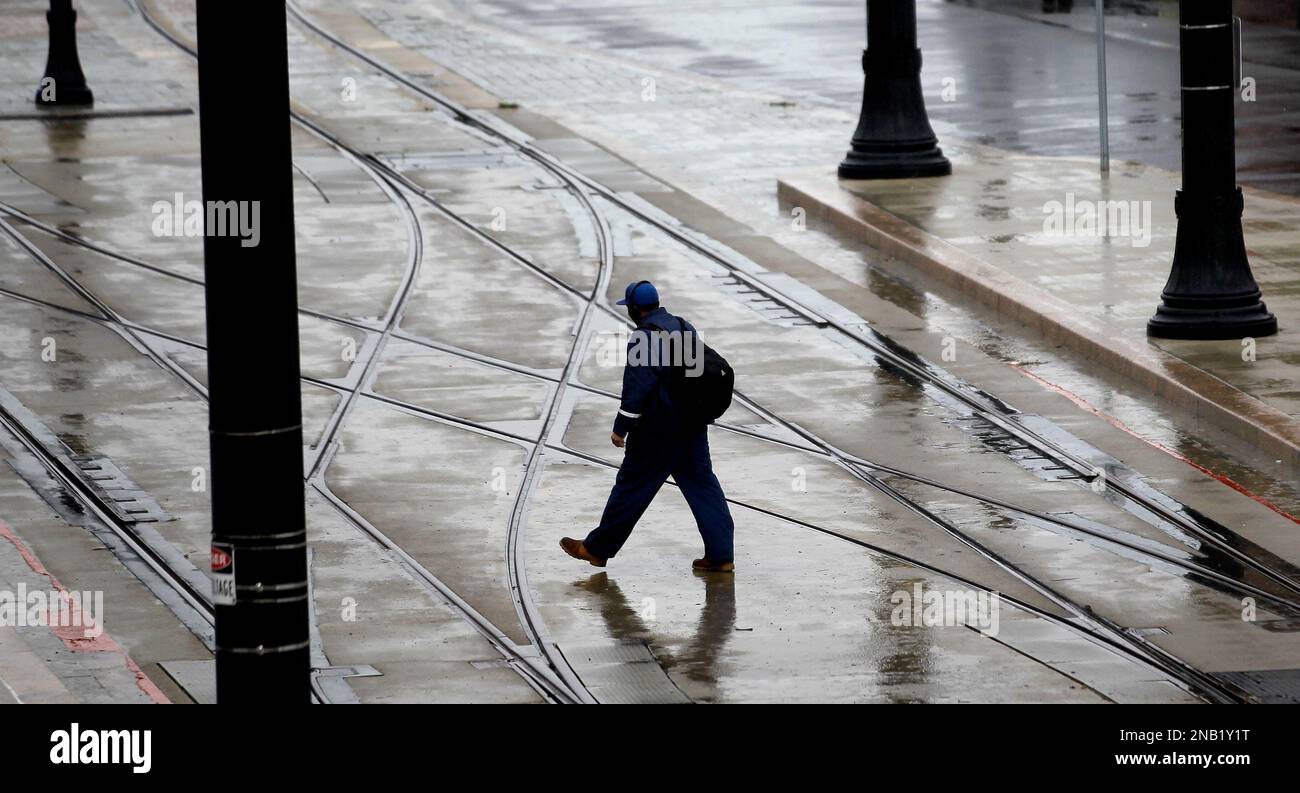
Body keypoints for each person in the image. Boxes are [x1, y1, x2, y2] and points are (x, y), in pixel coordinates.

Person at [560, 280, 736, 572]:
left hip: (657, 430)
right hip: (691, 425)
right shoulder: (683, 326)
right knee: (703, 486)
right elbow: (693, 377)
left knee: (632, 487)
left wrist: (621, 427)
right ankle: (721, 556)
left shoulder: (643, 337)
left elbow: (638, 386)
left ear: (633, 309)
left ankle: (595, 549)